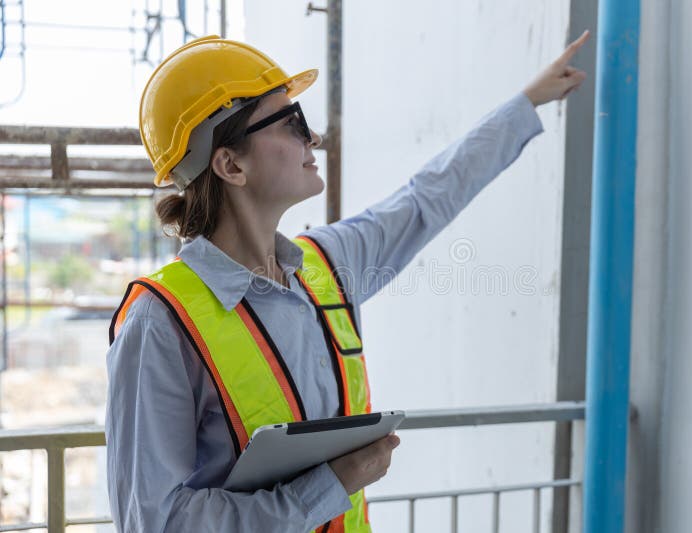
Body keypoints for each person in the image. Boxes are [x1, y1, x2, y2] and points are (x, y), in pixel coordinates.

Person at [106, 30, 590, 533]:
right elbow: (154, 523)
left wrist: (527, 102)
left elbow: (427, 197)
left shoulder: (326, 266)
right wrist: (328, 486)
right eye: (290, 122)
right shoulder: (159, 322)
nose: (310, 138)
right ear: (231, 164)